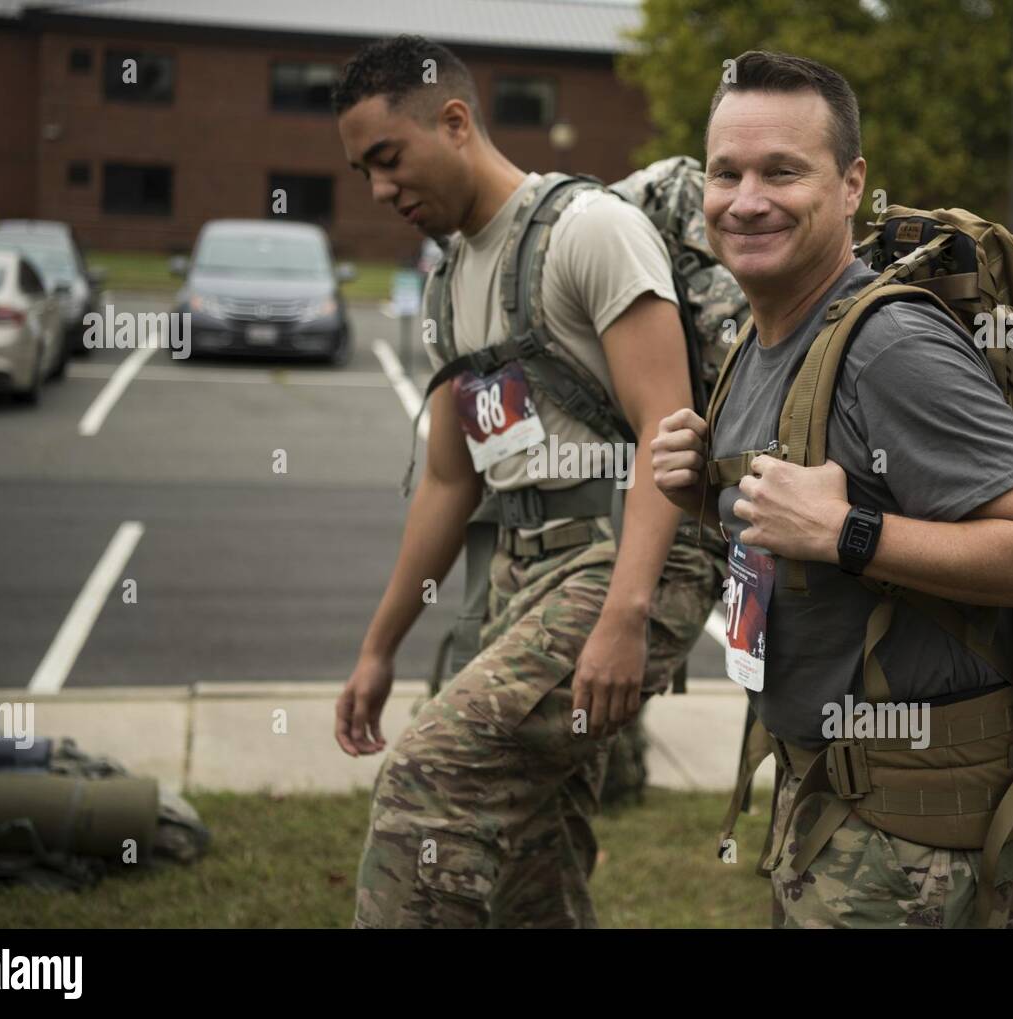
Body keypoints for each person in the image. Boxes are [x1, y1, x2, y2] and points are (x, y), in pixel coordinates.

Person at [651, 50, 1013, 929]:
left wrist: (850, 531)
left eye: (784, 171)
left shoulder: (892, 348)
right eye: (726, 172)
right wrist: (708, 496)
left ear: (851, 186)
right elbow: (800, 527)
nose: (746, 199)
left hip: (905, 839)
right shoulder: (762, 334)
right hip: (826, 800)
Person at [331, 35, 717, 928]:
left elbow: (670, 426)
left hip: (623, 559)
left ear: (455, 121)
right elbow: (447, 484)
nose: (380, 190)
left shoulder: (588, 232)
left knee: (432, 776)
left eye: (388, 158)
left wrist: (627, 615)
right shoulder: (446, 285)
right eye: (361, 172)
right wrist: (379, 646)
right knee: (529, 855)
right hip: (523, 570)